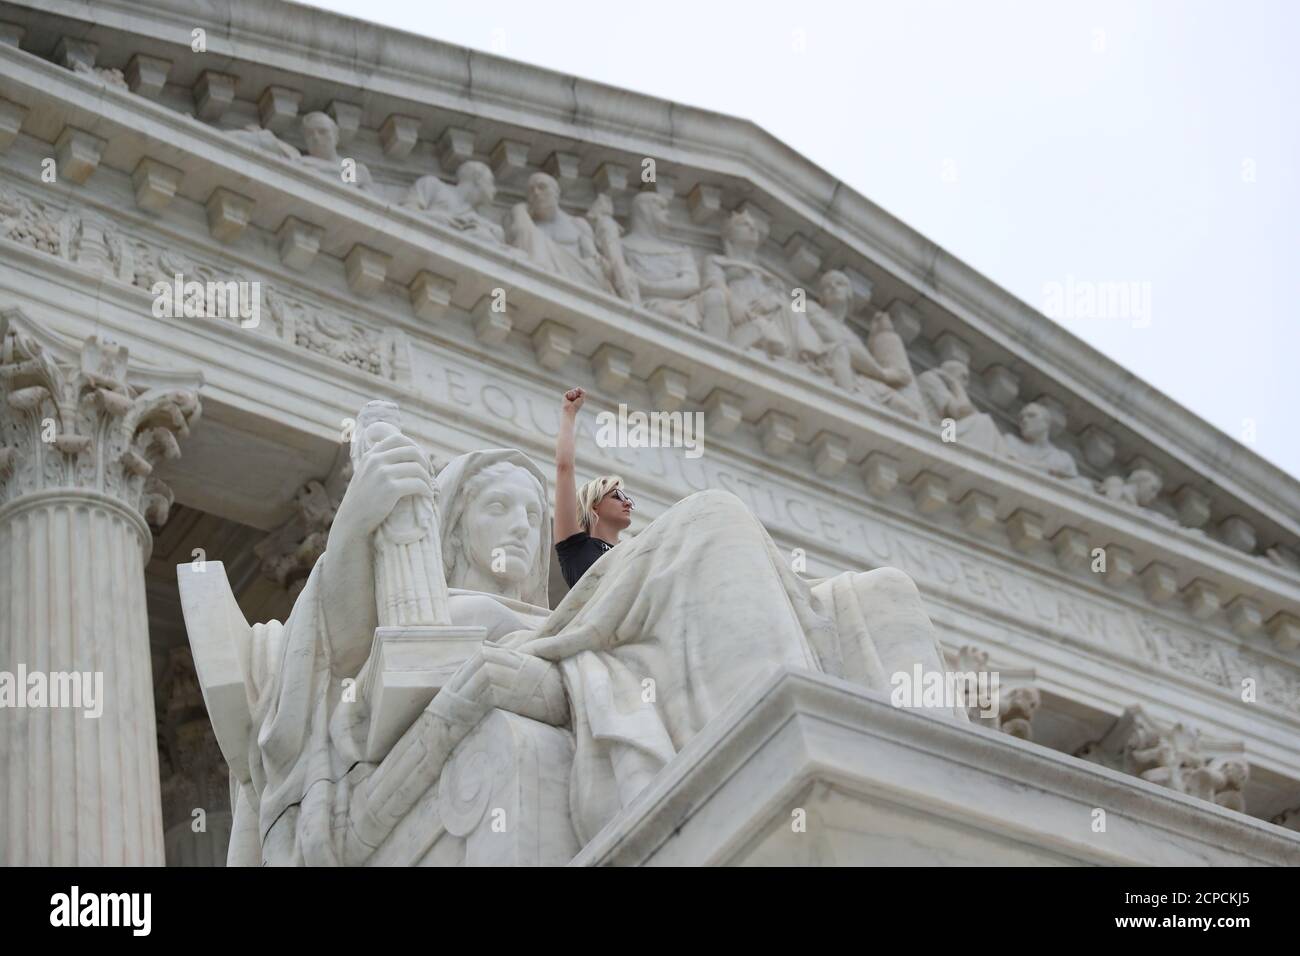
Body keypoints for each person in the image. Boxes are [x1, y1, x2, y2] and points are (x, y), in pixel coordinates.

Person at [552, 386, 632, 587]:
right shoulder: (576, 547)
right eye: (617, 496)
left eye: (628, 498)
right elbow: (564, 469)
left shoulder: (634, 554)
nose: (628, 502)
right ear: (594, 505)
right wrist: (569, 414)